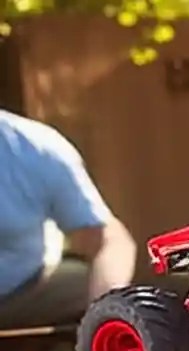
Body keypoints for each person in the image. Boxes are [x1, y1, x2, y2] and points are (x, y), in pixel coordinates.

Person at [0, 109, 137, 332]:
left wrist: (103, 317)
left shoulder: (36, 147)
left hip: (26, 292)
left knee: (91, 285)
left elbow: (109, 240)